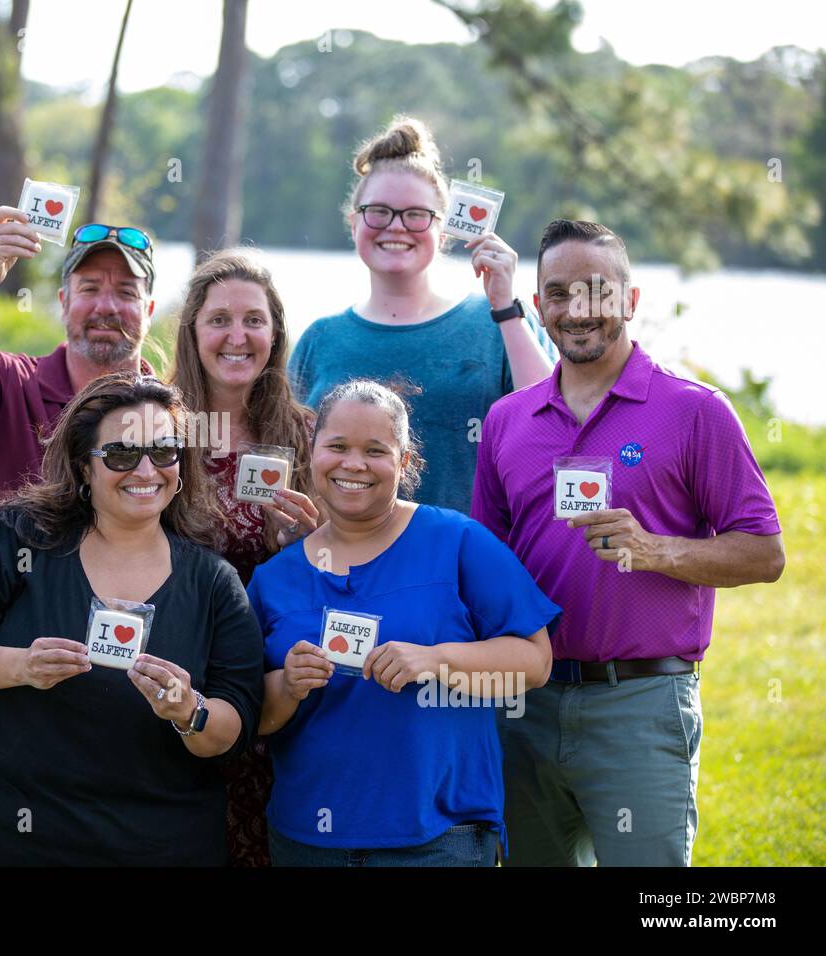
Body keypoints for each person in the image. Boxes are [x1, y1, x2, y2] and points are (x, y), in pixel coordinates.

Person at [470, 219, 785, 866]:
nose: (577, 310)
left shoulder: (695, 411)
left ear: (630, 301)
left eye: (596, 291)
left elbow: (765, 553)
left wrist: (658, 550)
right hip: (526, 705)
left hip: (639, 702)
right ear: (537, 307)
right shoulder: (507, 420)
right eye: (557, 294)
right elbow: (486, 567)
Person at [0, 373, 264, 865]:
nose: (145, 469)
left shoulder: (213, 583)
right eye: (121, 454)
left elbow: (234, 726)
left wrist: (188, 709)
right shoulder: (20, 538)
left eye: (164, 451)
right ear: (84, 467)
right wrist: (21, 667)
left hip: (144, 844)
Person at [249, 379, 559, 867]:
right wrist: (289, 684)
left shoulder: (457, 542)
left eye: (376, 450)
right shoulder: (273, 579)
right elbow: (252, 716)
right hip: (309, 839)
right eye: (337, 447)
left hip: (438, 838)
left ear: (405, 463)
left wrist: (436, 660)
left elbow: (535, 662)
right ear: (311, 455)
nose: (353, 464)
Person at [288, 115, 556, 515]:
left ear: (443, 229)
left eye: (416, 214)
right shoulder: (320, 339)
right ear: (354, 221)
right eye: (378, 211)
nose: (396, 227)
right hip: (344, 568)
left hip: (470, 565)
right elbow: (287, 458)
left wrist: (506, 305)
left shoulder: (495, 321)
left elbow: (553, 420)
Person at [167, 248, 321, 866]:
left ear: (276, 333)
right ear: (193, 331)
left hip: (278, 680)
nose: (238, 337)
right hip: (181, 672)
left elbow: (349, 561)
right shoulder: (159, 427)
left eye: (254, 320)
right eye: (220, 320)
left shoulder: (307, 434)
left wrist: (299, 548)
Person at [0, 216, 157, 527]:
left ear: (149, 311)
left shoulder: (169, 418)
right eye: (89, 288)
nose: (106, 307)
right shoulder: (4, 383)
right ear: (64, 302)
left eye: (126, 293)